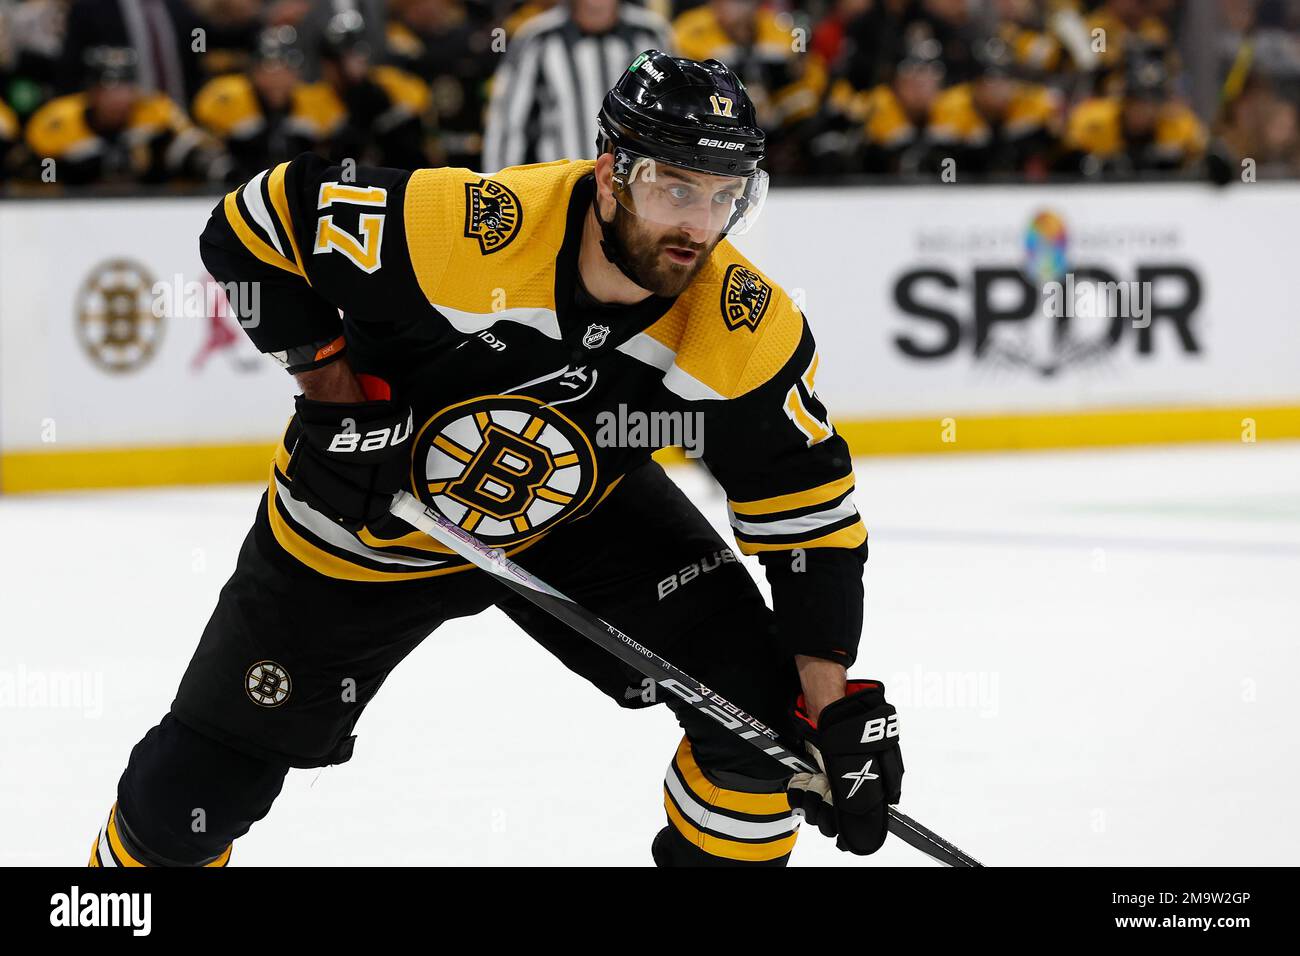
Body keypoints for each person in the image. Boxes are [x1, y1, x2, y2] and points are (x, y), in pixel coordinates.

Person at [88, 50, 902, 868]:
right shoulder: (473, 225)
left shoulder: (744, 326)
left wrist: (827, 705)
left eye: (727, 196)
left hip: (577, 516)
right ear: (610, 173)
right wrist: (332, 391)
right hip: (368, 519)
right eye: (675, 187)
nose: (700, 224)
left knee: (767, 737)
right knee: (189, 797)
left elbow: (809, 516)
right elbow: (249, 224)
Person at [26, 46, 226, 186]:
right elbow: (30, 178)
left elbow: (197, 149)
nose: (119, 98)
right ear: (92, 91)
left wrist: (161, 156)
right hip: (72, 216)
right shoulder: (56, 121)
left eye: (125, 87)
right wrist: (73, 169)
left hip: (149, 211)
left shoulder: (156, 110)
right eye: (109, 88)